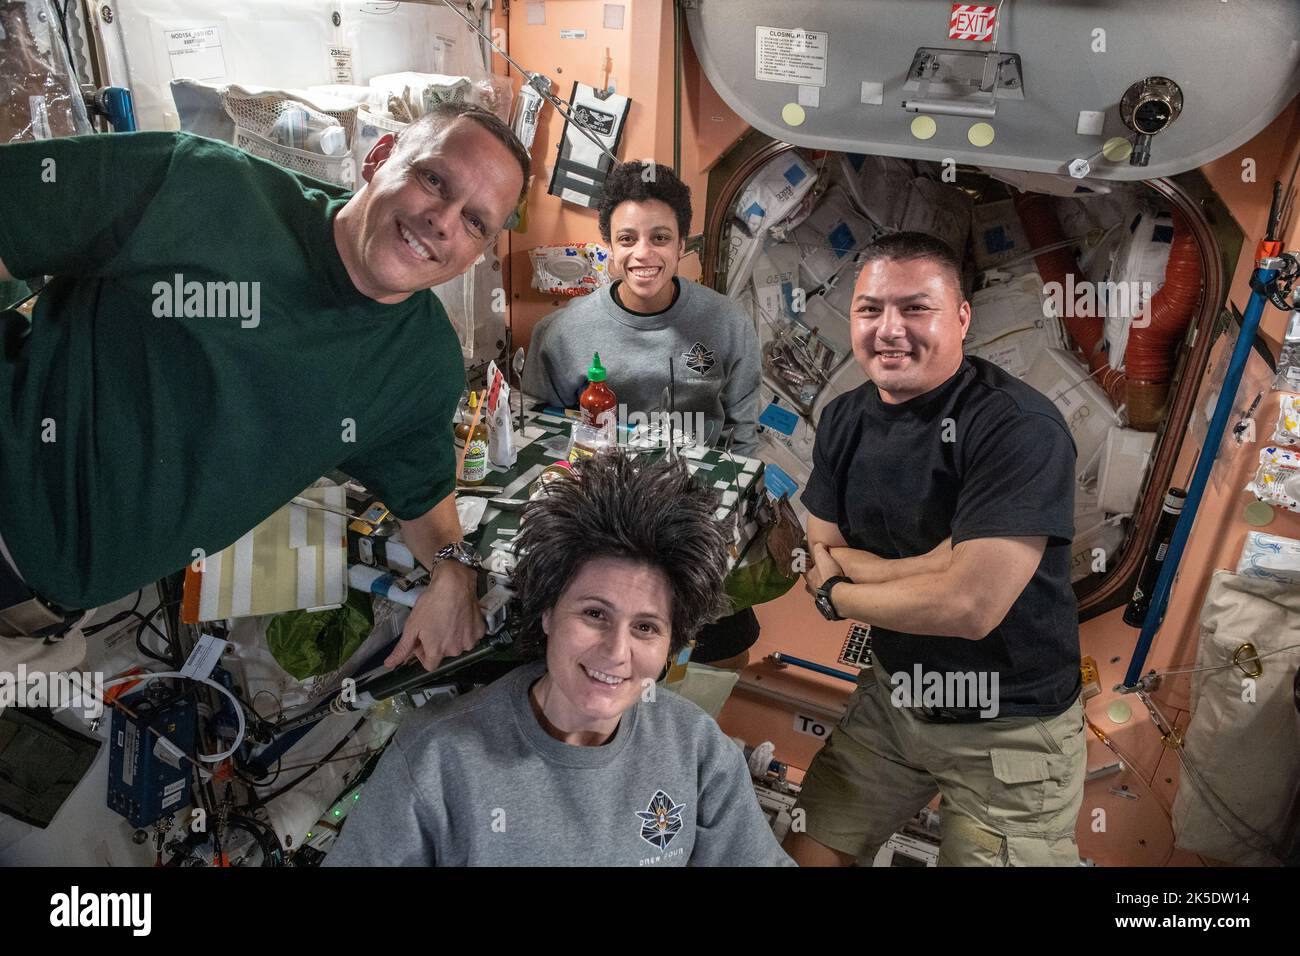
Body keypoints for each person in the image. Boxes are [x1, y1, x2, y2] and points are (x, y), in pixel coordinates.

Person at [0, 102, 525, 671]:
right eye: (433, 179)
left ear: (479, 252)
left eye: (476, 222)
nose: (444, 220)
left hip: (32, 619)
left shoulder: (421, 361)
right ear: (380, 157)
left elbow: (425, 497)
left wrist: (453, 570)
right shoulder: (199, 183)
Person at [324, 450, 794, 866]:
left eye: (646, 627)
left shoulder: (696, 751)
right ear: (547, 612)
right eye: (594, 613)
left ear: (672, 645)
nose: (616, 652)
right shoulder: (435, 760)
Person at [787, 232, 1086, 867]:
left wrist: (841, 596)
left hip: (1009, 728)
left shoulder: (1016, 429)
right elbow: (822, 543)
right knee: (802, 854)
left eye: (915, 307)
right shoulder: (842, 419)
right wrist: (938, 562)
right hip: (896, 701)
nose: (889, 330)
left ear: (961, 317)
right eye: (870, 309)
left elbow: (970, 606)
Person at [523, 160, 764, 669]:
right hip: (599, 521)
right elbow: (541, 437)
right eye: (627, 238)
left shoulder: (727, 324)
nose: (643, 254)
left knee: (722, 650)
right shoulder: (562, 334)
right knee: (604, 650)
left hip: (698, 515)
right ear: (608, 245)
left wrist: (726, 514)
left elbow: (745, 429)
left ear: (682, 246)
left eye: (660, 237)